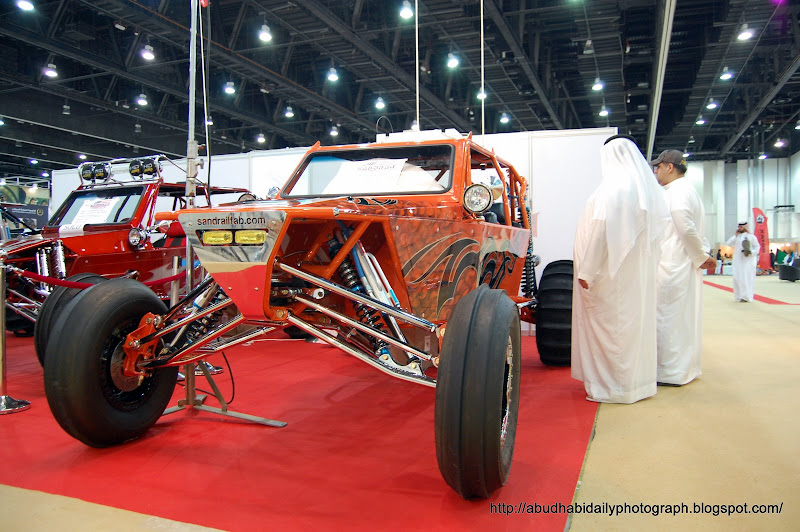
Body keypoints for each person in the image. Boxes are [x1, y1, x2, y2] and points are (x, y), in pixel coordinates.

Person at [571, 135, 670, 404]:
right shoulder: (641, 189)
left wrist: (587, 272)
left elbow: (601, 231)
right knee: (631, 327)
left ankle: (614, 387)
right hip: (632, 277)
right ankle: (636, 384)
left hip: (609, 277)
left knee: (613, 329)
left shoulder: (615, 188)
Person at [651, 150, 715, 387]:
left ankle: (669, 372)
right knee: (678, 319)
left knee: (667, 318)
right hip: (679, 263)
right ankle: (679, 369)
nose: (655, 172)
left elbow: (685, 227)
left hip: (673, 264)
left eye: (658, 167)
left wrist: (701, 256)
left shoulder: (677, 192)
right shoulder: (684, 190)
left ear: (670, 167)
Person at [726, 222, 760, 302]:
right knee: (737, 278)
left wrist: (751, 252)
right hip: (738, 261)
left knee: (746, 278)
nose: (739, 228)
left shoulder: (751, 237)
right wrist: (735, 235)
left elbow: (757, 247)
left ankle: (746, 297)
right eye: (739, 226)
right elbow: (729, 243)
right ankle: (739, 296)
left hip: (747, 261)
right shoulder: (737, 237)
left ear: (745, 227)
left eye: (741, 227)